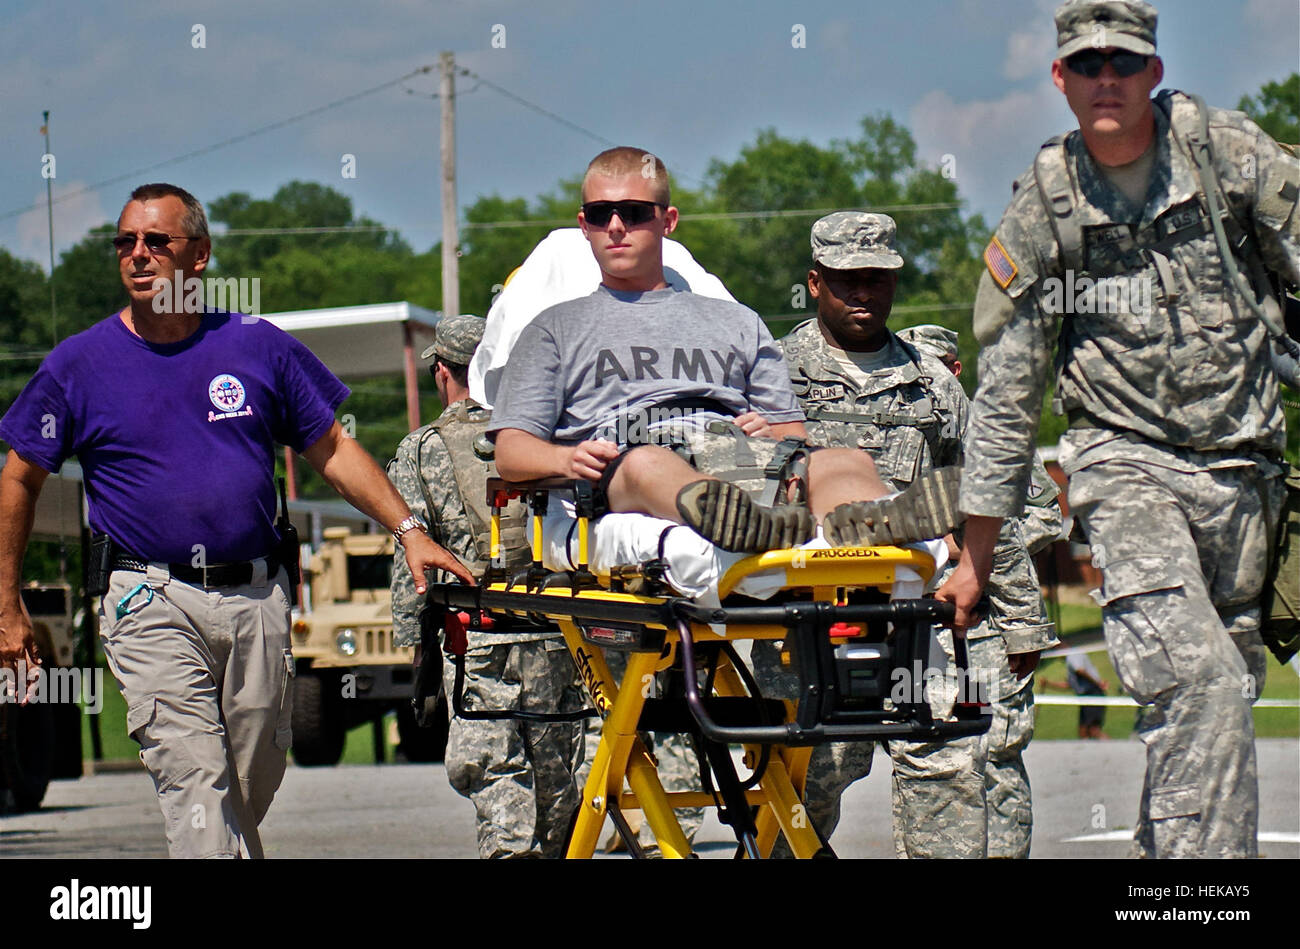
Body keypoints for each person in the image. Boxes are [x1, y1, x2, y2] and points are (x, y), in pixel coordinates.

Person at [0, 183, 470, 858]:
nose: (137, 254)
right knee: (194, 775)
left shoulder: (256, 347)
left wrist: (411, 528)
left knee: (249, 777)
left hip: (256, 596)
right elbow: (19, 475)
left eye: (156, 241)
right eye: (125, 241)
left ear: (200, 255)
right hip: (148, 595)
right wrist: (6, 601)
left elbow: (334, 450)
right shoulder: (79, 365)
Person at [939, 0, 1300, 859]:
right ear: (1060, 78)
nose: (1109, 78)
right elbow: (1010, 393)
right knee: (1198, 684)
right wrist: (975, 555)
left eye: (1125, 62)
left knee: (1212, 710)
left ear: (1155, 73)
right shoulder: (1049, 204)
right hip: (1124, 462)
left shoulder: (1230, 158)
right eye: (1089, 62)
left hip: (1245, 466)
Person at [488, 147, 963, 556]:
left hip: (737, 454)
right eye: (599, 215)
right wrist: (567, 460)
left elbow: (790, 433)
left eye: (633, 213)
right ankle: (734, 525)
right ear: (583, 226)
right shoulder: (554, 328)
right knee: (647, 463)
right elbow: (511, 453)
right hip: (631, 464)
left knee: (845, 461)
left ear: (667, 221)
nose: (615, 226)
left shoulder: (736, 320)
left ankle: (877, 524)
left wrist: (769, 430)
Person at [767, 214, 1058, 858]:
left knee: (950, 783)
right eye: (847, 281)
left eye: (877, 279)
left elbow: (985, 502)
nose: (863, 294)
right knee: (801, 795)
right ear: (816, 283)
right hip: (810, 631)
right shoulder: (771, 374)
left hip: (919, 627)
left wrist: (1020, 621)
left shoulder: (934, 383)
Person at [388, 314, 585, 858]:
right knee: (558, 780)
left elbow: (412, 563)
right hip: (557, 635)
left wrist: (417, 649)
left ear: (443, 373)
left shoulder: (424, 449)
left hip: (478, 642)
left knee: (497, 776)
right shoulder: (545, 438)